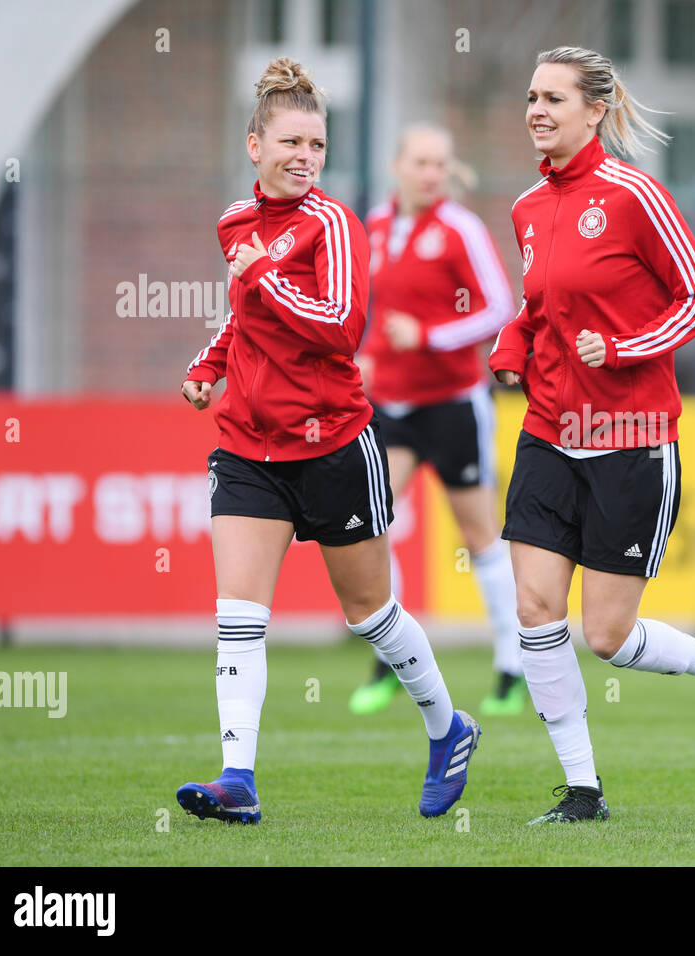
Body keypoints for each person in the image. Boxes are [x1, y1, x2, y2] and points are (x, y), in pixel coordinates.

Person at [175, 58, 480, 824]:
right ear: (254, 146)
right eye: (291, 141)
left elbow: (341, 328)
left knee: (370, 613)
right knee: (237, 615)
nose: (305, 155)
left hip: (334, 445)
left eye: (316, 142)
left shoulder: (335, 223)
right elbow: (247, 316)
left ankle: (448, 728)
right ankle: (236, 780)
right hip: (248, 446)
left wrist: (264, 279)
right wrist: (210, 363)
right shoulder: (234, 226)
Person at [489, 45, 695, 825]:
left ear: (597, 110)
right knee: (534, 609)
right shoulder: (526, 208)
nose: (538, 111)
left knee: (608, 636)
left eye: (554, 97)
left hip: (632, 438)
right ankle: (583, 791)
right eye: (531, 97)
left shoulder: (635, 195)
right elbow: (539, 308)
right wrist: (512, 347)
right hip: (551, 433)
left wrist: (624, 348)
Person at [348, 124, 525, 718]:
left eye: (440, 164)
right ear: (397, 164)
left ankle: (512, 663)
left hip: (453, 403)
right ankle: (394, 658)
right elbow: (366, 310)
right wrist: (367, 352)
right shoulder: (371, 225)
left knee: (480, 535)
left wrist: (428, 335)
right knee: (373, 520)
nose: (431, 173)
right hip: (392, 406)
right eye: (421, 162)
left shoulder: (460, 229)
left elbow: (501, 307)